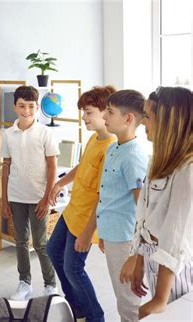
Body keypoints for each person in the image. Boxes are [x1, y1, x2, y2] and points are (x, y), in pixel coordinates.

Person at [47, 86, 117, 322]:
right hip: (71, 211)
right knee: (52, 250)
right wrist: (59, 183)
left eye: (88, 112)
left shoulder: (110, 148)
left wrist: (88, 234)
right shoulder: (94, 139)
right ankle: (76, 307)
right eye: (83, 113)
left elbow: (103, 195)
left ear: (105, 112)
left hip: (86, 219)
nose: (84, 118)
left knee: (73, 269)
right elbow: (81, 166)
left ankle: (95, 316)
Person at [121, 86, 192, 319]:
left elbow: (175, 236)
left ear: (170, 121)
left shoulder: (188, 169)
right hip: (155, 257)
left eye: (148, 117)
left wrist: (160, 298)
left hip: (175, 266)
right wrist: (139, 257)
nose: (142, 123)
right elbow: (145, 215)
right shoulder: (159, 159)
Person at [0, 85, 58, 300]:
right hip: (16, 197)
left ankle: (50, 284)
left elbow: (52, 166)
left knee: (41, 244)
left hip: (39, 198)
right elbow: (6, 166)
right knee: (21, 242)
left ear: (37, 108)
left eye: (31, 106)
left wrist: (46, 198)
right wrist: (5, 199)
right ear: (15, 107)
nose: (26, 111)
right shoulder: (8, 134)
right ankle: (24, 283)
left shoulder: (45, 132)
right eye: (22, 106)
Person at [95, 90, 148, 321]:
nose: (104, 116)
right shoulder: (113, 147)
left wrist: (135, 254)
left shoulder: (134, 156)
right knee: (121, 296)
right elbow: (109, 196)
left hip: (126, 240)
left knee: (128, 302)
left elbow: (142, 210)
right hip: (112, 233)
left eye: (109, 112)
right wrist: (104, 233)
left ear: (128, 119)